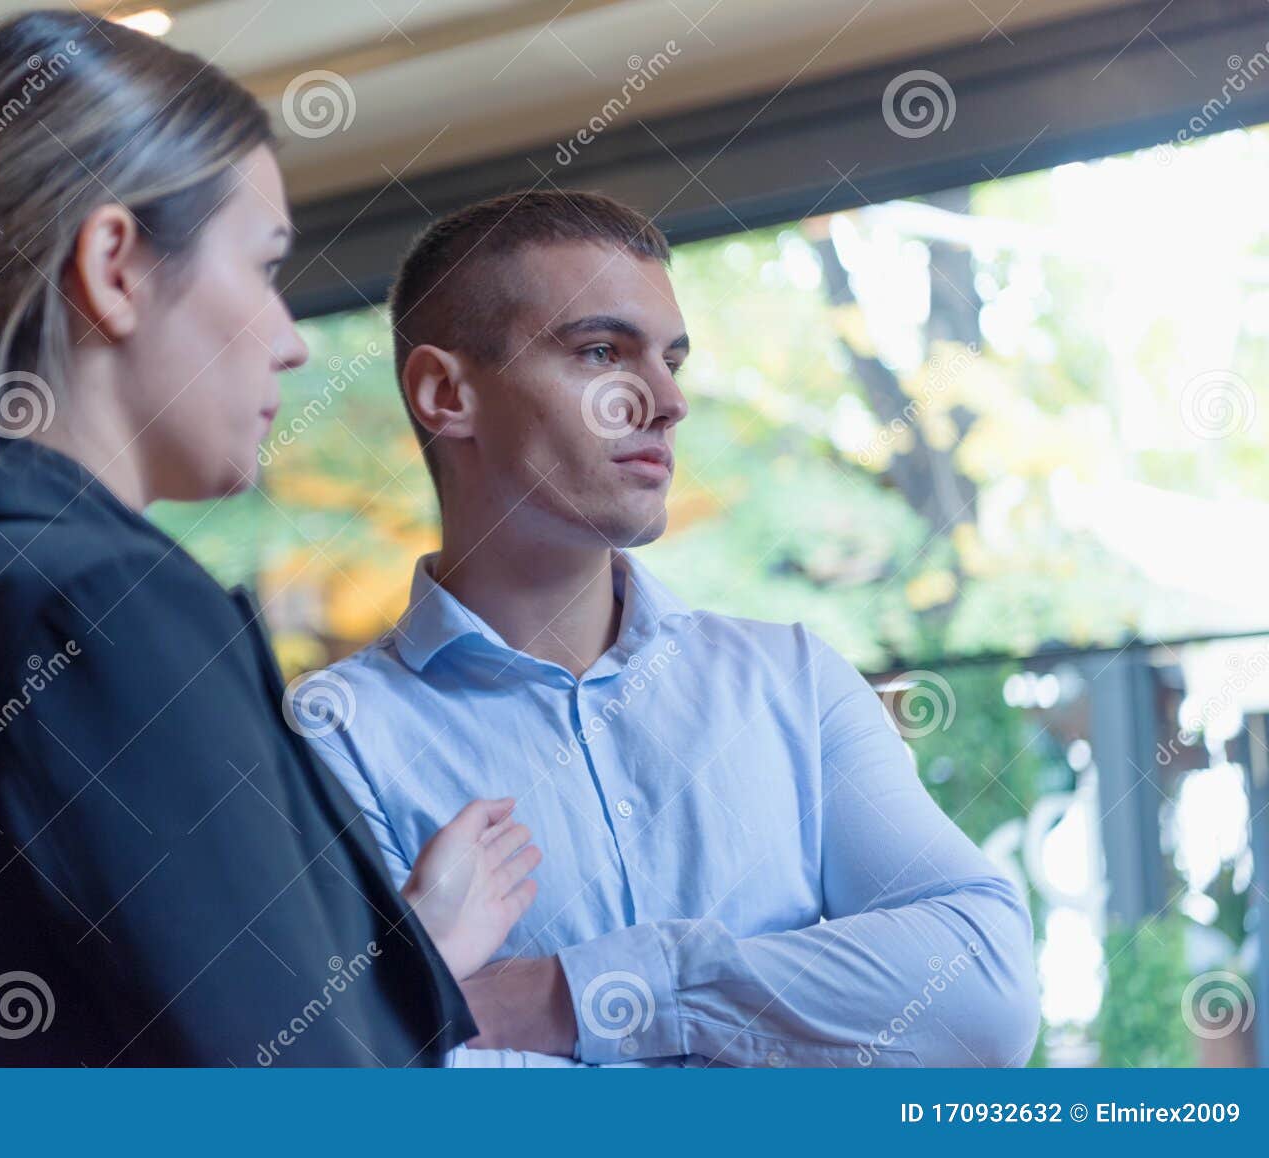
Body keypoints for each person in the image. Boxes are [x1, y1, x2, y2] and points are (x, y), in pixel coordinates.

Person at [0, 10, 539, 1066]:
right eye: (264, 265)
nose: (292, 341)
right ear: (114, 265)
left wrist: (400, 951)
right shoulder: (98, 608)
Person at [302, 189, 1042, 1067]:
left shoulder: (796, 682)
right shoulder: (330, 739)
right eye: (603, 352)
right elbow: (368, 1086)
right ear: (444, 393)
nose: (665, 400)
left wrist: (562, 998)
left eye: (673, 361)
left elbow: (984, 992)